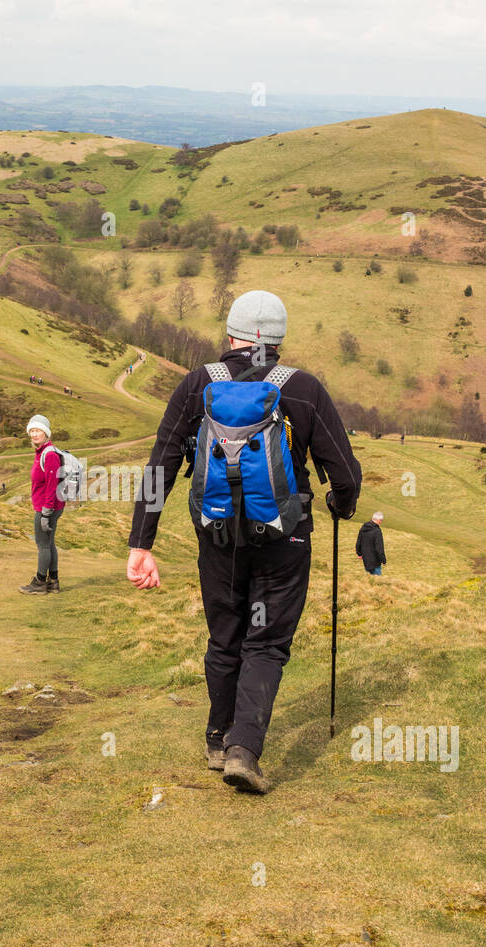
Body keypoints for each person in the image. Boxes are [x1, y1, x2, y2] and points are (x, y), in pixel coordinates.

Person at [125, 290, 362, 795]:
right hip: (285, 536)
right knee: (268, 641)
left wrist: (140, 543)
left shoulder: (198, 384)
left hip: (217, 535)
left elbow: (160, 466)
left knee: (225, 633)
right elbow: (344, 473)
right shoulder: (301, 388)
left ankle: (217, 736)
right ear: (277, 340)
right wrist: (341, 506)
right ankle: (243, 749)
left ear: (230, 334)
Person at [20, 414, 64, 594]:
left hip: (48, 507)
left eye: (37, 430)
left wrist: (46, 513)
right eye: (31, 431)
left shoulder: (50, 454)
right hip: (48, 506)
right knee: (49, 544)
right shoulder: (41, 452)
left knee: (43, 545)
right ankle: (53, 582)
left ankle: (39, 583)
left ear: (45, 433)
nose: (34, 434)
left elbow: (52, 486)